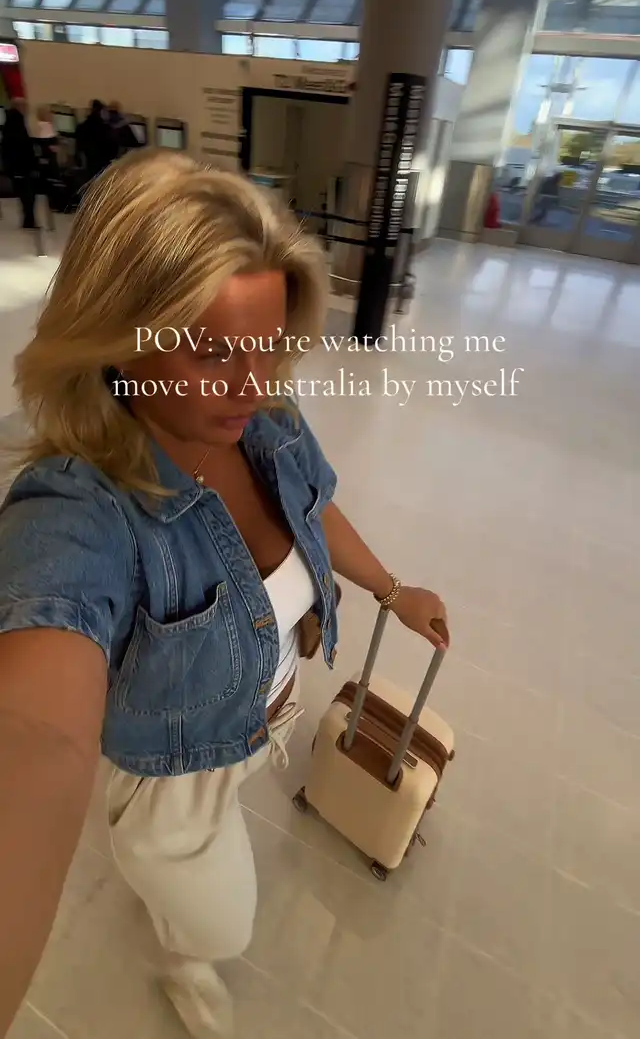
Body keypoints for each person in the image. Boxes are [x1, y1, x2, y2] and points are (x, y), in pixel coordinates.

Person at [0, 149, 449, 1039]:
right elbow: (36, 732)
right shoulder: (79, 514)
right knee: (221, 925)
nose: (255, 385)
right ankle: (182, 951)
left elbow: (314, 510)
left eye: (268, 348)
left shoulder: (268, 420)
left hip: (255, 717)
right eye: (212, 353)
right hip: (176, 777)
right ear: (122, 343)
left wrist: (391, 588)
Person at [1, 97, 37, 229]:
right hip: (21, 166)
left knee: (25, 195)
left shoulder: (11, 122)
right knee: (28, 195)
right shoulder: (16, 123)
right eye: (24, 106)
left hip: (17, 166)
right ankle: (29, 221)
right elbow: (21, 146)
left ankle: (28, 221)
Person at [74, 99, 112, 181]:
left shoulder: (82, 126)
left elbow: (78, 148)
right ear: (101, 112)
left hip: (88, 165)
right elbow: (111, 149)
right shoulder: (105, 129)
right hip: (101, 166)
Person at [33, 106, 60, 211]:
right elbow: (47, 145)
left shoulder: (41, 126)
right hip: (49, 161)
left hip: (46, 160)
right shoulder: (45, 127)